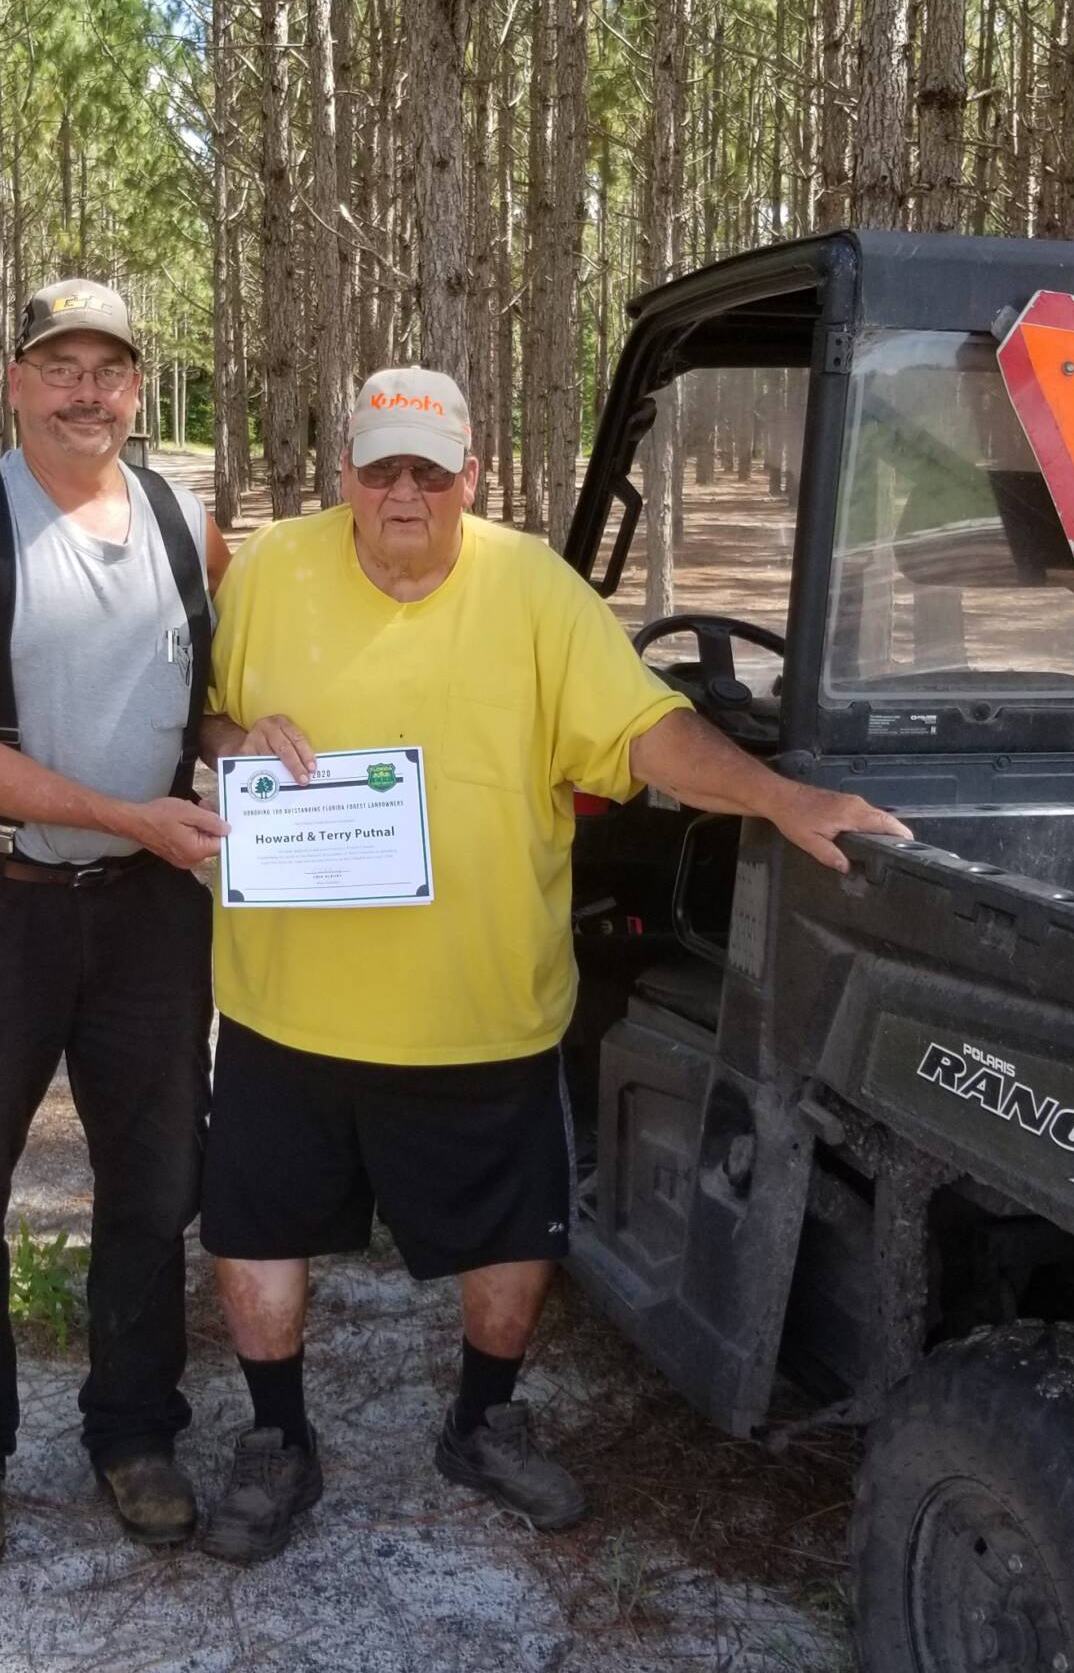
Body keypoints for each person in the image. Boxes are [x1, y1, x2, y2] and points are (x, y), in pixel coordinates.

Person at [191, 366, 909, 1564]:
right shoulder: (266, 570)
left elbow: (644, 733)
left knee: (510, 1232)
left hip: (480, 1005)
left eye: (430, 470)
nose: (403, 492)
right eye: (381, 469)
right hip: (284, 1001)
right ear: (345, 476)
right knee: (257, 1225)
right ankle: (277, 1439)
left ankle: (483, 1420)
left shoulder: (533, 586)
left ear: (469, 475)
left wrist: (779, 796)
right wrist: (233, 740)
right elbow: (204, 716)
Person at [0, 279, 230, 1570]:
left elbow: (199, 700)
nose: (87, 392)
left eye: (110, 370)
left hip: (146, 916)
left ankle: (135, 1431)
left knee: (158, 1178)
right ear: (18, 381)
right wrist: (128, 815)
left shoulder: (187, 524)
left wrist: (243, 744)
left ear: (138, 388)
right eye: (60, 367)